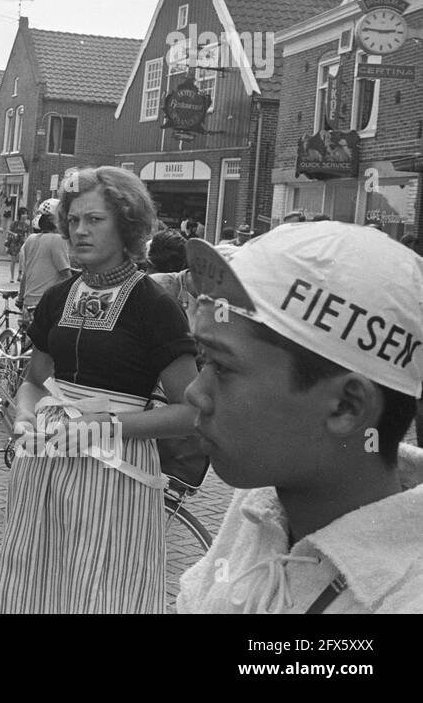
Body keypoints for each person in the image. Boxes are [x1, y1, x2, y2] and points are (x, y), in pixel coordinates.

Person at [178, 223, 423, 613]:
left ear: (346, 406)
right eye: (201, 360)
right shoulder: (262, 507)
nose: (195, 393)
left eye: (221, 366)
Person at [0, 166, 199, 614]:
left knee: (100, 592)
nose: (80, 231)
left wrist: (108, 425)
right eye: (74, 220)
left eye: (95, 220)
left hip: (116, 469)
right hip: (46, 460)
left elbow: (192, 411)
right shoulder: (58, 298)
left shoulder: (154, 307)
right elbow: (34, 381)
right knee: (38, 580)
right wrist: (24, 417)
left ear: (126, 225)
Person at [17, 209, 71, 314]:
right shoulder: (58, 239)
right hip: (46, 302)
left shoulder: (30, 239)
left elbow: (26, 273)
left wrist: (21, 297)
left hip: (29, 300)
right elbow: (65, 274)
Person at [6, 207, 29, 282]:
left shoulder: (26, 225)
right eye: (23, 214)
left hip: (22, 243)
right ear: (20, 215)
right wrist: (14, 234)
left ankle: (20, 275)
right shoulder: (15, 223)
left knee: (22, 260)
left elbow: (28, 234)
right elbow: (8, 231)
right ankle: (12, 277)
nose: (25, 215)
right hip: (14, 243)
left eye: (26, 214)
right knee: (13, 260)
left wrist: (27, 240)